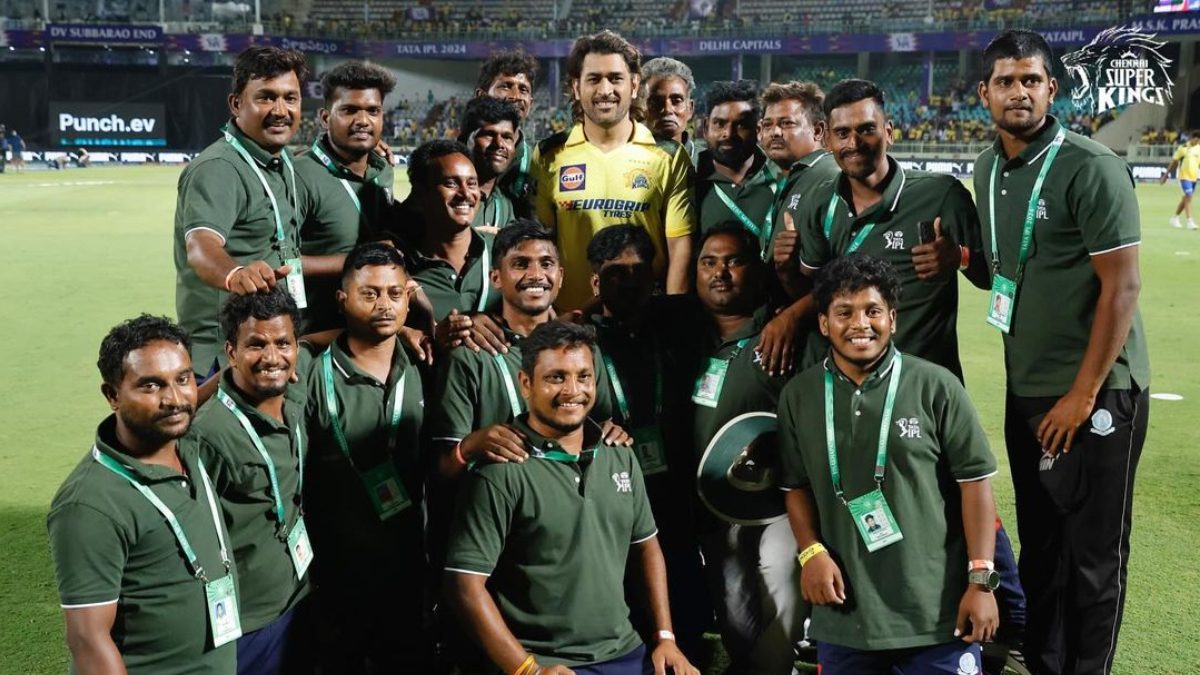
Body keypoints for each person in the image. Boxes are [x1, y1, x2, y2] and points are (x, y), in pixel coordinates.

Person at [975, 30, 1150, 675]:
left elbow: (1122, 287)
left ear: (1052, 88)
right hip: (1027, 389)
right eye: (1005, 81)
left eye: (1031, 80)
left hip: (1098, 392)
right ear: (984, 93)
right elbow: (1008, 269)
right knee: (1043, 547)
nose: (1018, 92)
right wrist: (960, 258)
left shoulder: (1090, 165)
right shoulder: (987, 167)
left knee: (1092, 554)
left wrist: (1082, 394)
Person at [778, 254, 999, 674]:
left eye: (872, 311)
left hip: (937, 614)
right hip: (846, 617)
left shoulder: (936, 386)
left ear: (892, 320)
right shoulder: (799, 395)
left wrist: (981, 580)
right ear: (824, 323)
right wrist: (810, 552)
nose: (860, 324)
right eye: (844, 312)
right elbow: (794, 485)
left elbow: (975, 484)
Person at [445, 320, 699, 675]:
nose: (573, 390)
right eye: (556, 377)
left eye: (584, 377)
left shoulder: (619, 454)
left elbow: (646, 547)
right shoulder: (500, 471)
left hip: (626, 650)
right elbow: (464, 586)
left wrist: (665, 637)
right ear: (525, 384)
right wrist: (528, 670)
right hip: (548, 663)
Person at [48, 315, 238, 674]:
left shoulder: (187, 444)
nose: (174, 399)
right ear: (112, 396)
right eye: (151, 386)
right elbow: (88, 641)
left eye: (183, 378)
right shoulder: (89, 504)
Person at [794, 79, 988, 379]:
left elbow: (990, 276)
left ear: (888, 132)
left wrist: (959, 258)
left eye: (866, 129)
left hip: (922, 386)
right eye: (842, 133)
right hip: (848, 383)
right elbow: (810, 289)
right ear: (828, 140)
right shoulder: (819, 201)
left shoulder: (941, 194)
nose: (854, 143)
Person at [302, 243, 432, 672]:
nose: (384, 305)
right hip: (336, 573)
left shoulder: (426, 361)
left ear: (408, 298)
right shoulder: (310, 370)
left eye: (395, 293)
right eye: (369, 294)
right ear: (342, 300)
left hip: (411, 569)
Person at [584, 225, 711, 661]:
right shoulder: (582, 341)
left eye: (639, 270)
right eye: (616, 273)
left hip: (676, 494)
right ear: (596, 282)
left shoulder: (681, 318)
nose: (631, 281)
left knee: (685, 614)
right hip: (614, 496)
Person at [688, 225, 802, 675]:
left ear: (755, 270)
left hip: (779, 503)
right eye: (709, 262)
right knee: (734, 608)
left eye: (733, 261)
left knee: (782, 580)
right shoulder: (679, 331)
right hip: (712, 505)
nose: (720, 272)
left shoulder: (778, 333)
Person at [174, 47, 317, 378]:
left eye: (290, 98)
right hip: (224, 356)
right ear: (236, 104)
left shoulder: (280, 160)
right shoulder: (219, 168)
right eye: (266, 97)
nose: (280, 110)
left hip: (266, 346)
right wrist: (234, 273)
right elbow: (201, 246)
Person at [191, 288, 313, 674]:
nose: (272, 357)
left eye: (283, 344)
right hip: (249, 621)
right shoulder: (208, 433)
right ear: (231, 352)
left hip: (301, 595)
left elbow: (319, 341)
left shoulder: (295, 393)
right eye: (256, 345)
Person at [532, 30, 696, 311]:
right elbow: (541, 245)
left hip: (644, 322)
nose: (605, 90)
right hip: (571, 321)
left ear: (634, 85)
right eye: (594, 79)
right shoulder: (549, 154)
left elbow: (680, 249)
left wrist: (672, 317)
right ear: (576, 87)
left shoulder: (669, 156)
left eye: (615, 78)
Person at [294, 60, 398, 332]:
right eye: (349, 110)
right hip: (316, 333)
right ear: (325, 118)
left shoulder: (383, 170)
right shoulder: (298, 175)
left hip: (375, 328)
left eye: (373, 111)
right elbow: (280, 263)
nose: (363, 121)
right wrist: (365, 259)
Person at [696, 80, 783, 260]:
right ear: (705, 128)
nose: (728, 133)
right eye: (719, 124)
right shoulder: (688, 178)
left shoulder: (783, 176)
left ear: (758, 130)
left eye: (741, 125)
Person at [475, 50, 538, 208]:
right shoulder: (457, 157)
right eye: (505, 86)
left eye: (523, 89)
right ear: (481, 96)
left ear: (531, 103)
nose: (515, 96)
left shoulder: (538, 163)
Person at [457, 96, 521, 232]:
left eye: (507, 137)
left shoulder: (507, 206)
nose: (499, 144)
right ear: (465, 140)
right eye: (488, 134)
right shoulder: (450, 198)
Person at [642, 57, 698, 163]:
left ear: (690, 109)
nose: (667, 110)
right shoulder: (622, 161)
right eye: (656, 102)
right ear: (642, 108)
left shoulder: (710, 164)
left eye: (676, 101)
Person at [1160, 130, 1200, 229]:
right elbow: (1174, 162)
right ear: (1194, 138)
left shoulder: (1199, 149)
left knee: (1186, 198)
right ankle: (1189, 221)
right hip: (1183, 177)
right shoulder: (1183, 148)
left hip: (1193, 178)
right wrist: (1166, 175)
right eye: (1198, 140)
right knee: (1189, 196)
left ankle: (1174, 218)